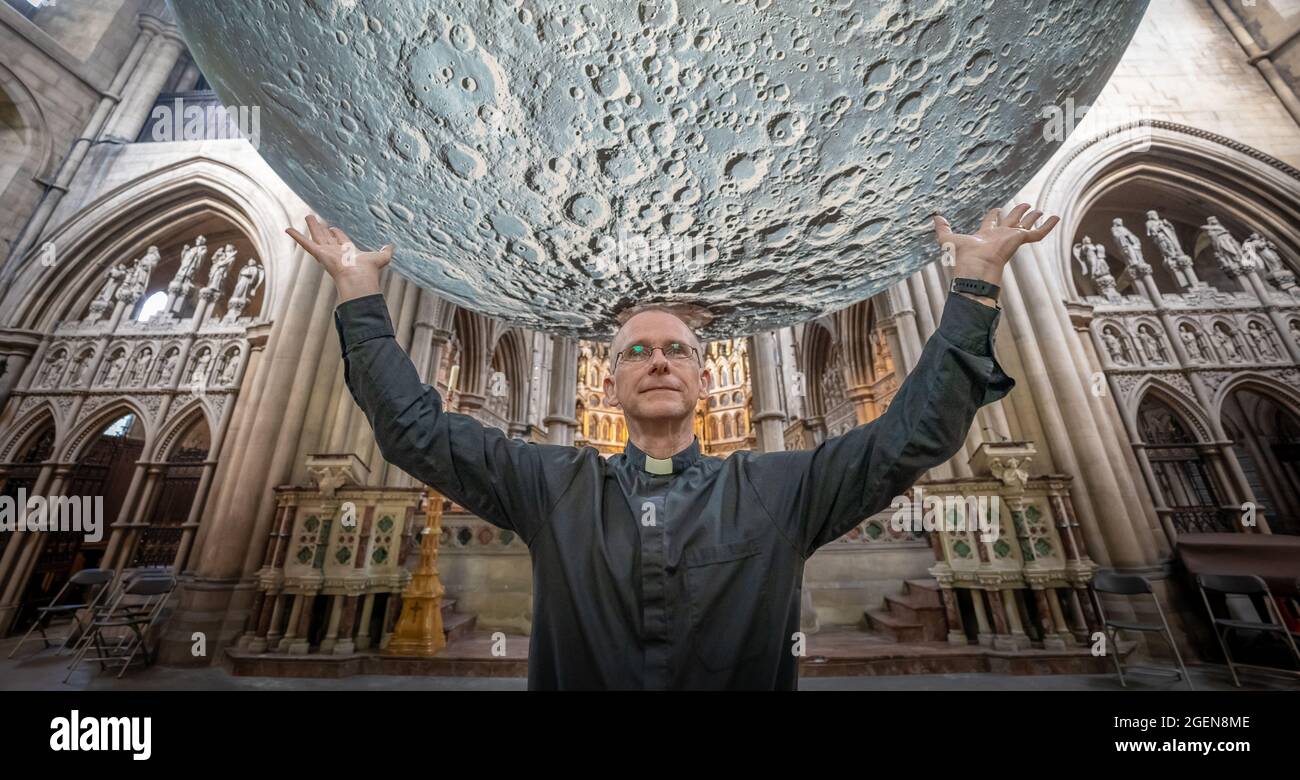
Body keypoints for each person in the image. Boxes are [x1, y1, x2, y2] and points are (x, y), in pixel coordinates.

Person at [287, 203, 1059, 689]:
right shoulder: (552, 483)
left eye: (676, 349)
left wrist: (974, 286)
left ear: (704, 376)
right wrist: (358, 293)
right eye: (635, 351)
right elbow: (413, 430)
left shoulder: (778, 490)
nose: (657, 360)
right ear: (608, 384)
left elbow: (910, 436)